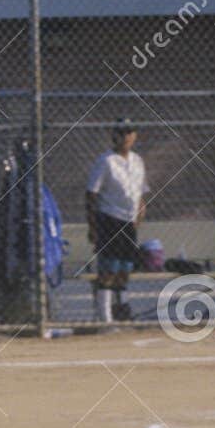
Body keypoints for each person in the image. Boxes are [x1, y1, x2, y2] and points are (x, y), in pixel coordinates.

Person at [86, 118, 149, 324]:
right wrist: (93, 226)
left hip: (129, 222)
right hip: (109, 219)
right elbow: (91, 194)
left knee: (125, 269)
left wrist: (140, 211)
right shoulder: (106, 161)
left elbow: (140, 191)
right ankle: (105, 317)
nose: (126, 137)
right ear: (115, 136)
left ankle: (122, 310)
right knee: (109, 269)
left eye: (129, 133)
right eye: (121, 133)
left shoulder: (137, 161)